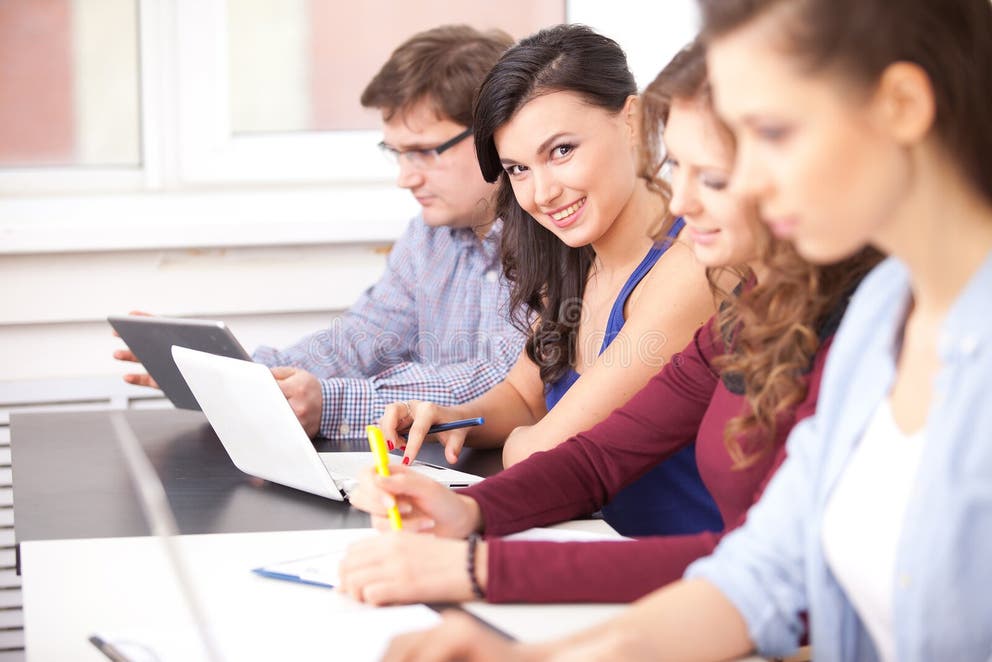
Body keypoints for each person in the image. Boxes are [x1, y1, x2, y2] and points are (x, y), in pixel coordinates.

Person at [379, 0, 992, 659]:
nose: (727, 188)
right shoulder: (881, 313)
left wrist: (484, 569)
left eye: (771, 133)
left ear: (901, 105)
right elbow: (761, 573)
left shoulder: (858, 313)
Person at [338, 39, 879, 606]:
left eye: (711, 176)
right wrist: (468, 505)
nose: (681, 200)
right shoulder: (745, 312)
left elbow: (766, 565)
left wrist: (480, 563)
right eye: (520, 168)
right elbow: (590, 455)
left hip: (692, 587)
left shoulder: (712, 277)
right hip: (678, 584)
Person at [378, 24, 723, 537]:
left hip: (670, 567)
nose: (541, 193)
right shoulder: (577, 256)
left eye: (561, 151)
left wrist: (517, 441)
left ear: (631, 122)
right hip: (586, 540)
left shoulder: (688, 270)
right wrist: (452, 415)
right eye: (518, 168)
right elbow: (525, 394)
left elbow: (543, 454)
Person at [112, 25, 527, 440]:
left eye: (421, 152)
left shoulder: (550, 239)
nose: (405, 179)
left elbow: (506, 382)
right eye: (396, 155)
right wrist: (245, 376)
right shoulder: (428, 238)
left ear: (492, 135)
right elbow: (359, 339)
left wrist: (332, 403)